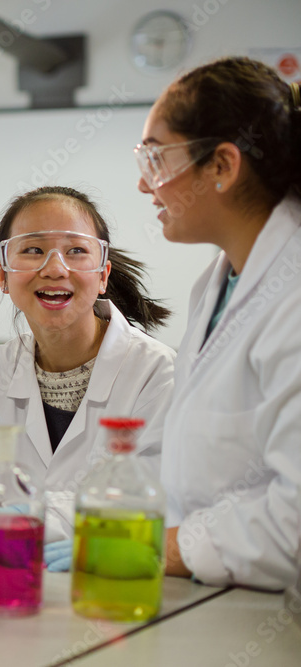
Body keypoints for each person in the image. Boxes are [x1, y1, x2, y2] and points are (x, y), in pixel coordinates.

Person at [0, 186, 176, 569]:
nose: (55, 268)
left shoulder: (154, 370)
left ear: (102, 275)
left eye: (76, 251)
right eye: (33, 250)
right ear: (3, 275)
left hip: (108, 580)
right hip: (12, 577)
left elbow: (153, 494)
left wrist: (31, 516)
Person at [136, 57, 301, 590]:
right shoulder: (218, 282)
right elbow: (174, 463)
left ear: (223, 167)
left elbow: (294, 519)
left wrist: (169, 548)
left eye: (156, 158)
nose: (145, 185)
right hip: (221, 594)